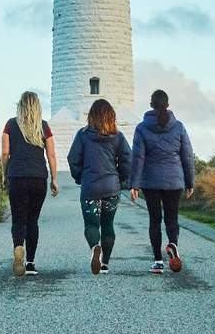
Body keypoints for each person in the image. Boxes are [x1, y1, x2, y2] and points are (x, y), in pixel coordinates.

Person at [130, 89, 196, 273]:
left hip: (150, 181)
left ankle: (158, 261)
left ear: (151, 104)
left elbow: (138, 158)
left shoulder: (142, 128)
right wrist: (190, 182)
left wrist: (134, 184)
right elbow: (187, 156)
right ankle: (172, 244)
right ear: (168, 104)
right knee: (172, 218)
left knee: (154, 220)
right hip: (174, 180)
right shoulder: (179, 126)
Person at [67, 98, 131, 275]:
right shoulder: (118, 136)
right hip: (111, 188)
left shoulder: (82, 134)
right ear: (111, 116)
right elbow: (127, 160)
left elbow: (73, 159)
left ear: (91, 116)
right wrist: (122, 180)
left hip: (90, 188)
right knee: (108, 225)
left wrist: (80, 177)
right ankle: (104, 264)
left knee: (91, 225)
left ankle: (95, 247)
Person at [1, 91, 59, 277]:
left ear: (20, 105)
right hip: (38, 178)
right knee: (32, 221)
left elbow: (4, 153)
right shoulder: (44, 127)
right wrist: (54, 179)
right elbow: (51, 154)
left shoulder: (11, 124)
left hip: (16, 176)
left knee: (18, 219)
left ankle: (19, 247)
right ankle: (31, 264)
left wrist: (4, 175)